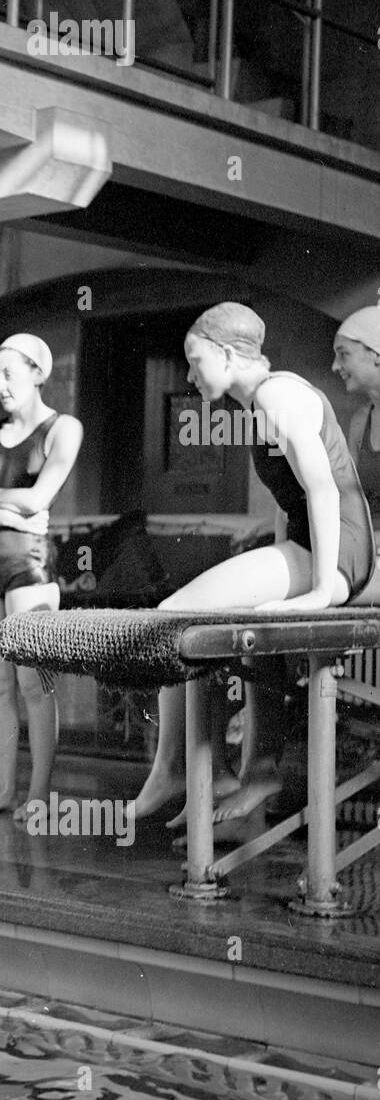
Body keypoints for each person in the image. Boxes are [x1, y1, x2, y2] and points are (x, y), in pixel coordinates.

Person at [134, 303, 375, 823]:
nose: (191, 375)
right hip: (321, 550)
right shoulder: (256, 405)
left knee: (175, 612)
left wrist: (319, 589)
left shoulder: (277, 395)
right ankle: (227, 769)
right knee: (214, 613)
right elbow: (293, 504)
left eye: (195, 361)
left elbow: (324, 492)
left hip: (335, 552)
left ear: (225, 353)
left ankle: (178, 767)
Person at [0, 334, 83, 823]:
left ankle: (40, 794)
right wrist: (6, 507)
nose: (0, 385)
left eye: (10, 373)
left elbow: (39, 500)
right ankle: (6, 789)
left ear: (38, 373)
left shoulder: (63, 428)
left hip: (28, 566)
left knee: (36, 686)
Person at [336, 306, 380, 605]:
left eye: (343, 354)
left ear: (376, 353)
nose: (335, 366)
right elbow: (346, 500)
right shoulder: (359, 423)